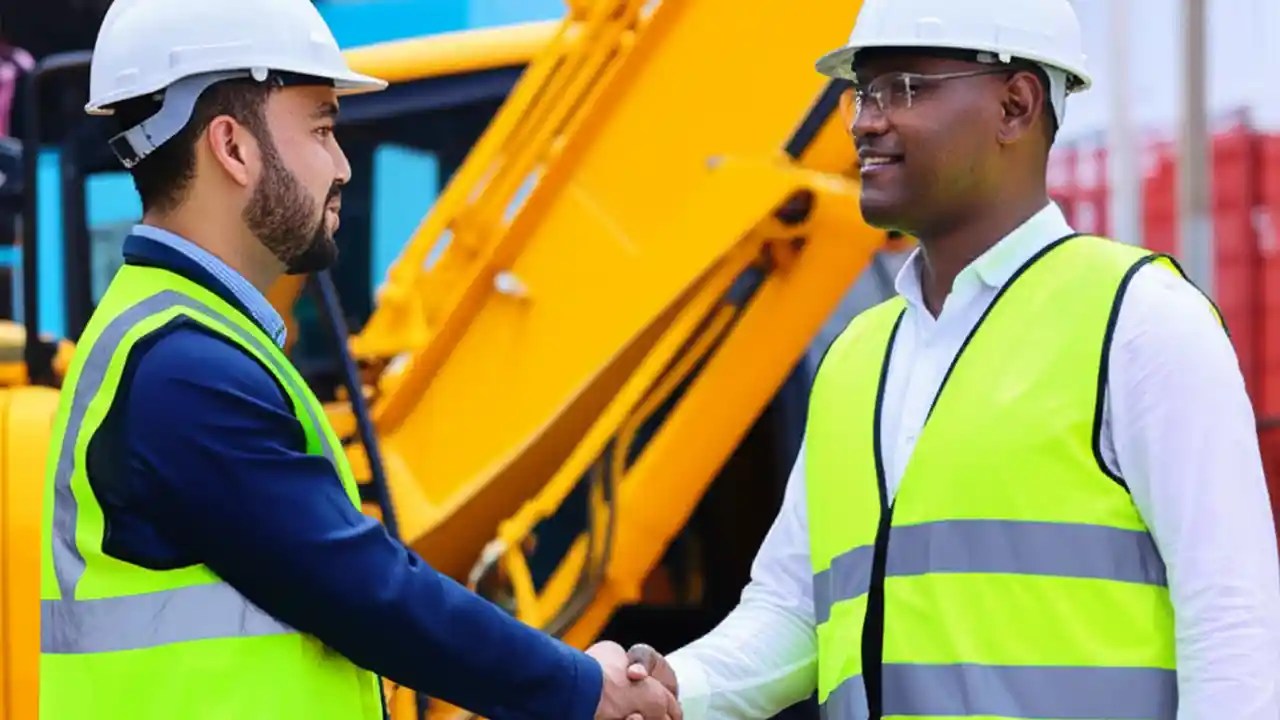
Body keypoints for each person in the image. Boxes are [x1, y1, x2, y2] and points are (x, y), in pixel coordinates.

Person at [622, 0, 1280, 718]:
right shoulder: (857, 359)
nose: (865, 121)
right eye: (861, 93)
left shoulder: (1141, 322)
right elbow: (789, 612)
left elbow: (1235, 632)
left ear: (1016, 105)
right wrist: (664, 689)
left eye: (904, 87)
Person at [37, 1, 679, 719]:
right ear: (233, 147)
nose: (341, 166)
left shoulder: (185, 339)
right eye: (322, 127)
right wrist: (577, 688)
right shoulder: (182, 366)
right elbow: (364, 588)